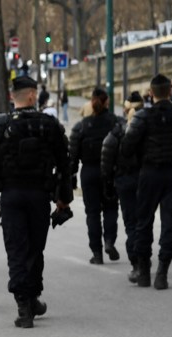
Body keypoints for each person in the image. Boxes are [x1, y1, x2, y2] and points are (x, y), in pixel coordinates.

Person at [0, 76, 73, 329]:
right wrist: (63, 199)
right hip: (38, 196)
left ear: (13, 97)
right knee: (34, 248)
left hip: (11, 196)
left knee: (17, 250)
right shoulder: (50, 125)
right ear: (32, 95)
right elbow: (65, 164)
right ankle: (29, 298)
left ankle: (25, 303)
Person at [120, 74, 172, 289]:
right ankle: (162, 273)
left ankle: (144, 272)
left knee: (143, 222)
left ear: (151, 93)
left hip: (149, 173)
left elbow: (127, 147)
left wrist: (140, 160)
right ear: (170, 91)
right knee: (170, 223)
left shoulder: (142, 117)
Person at [69, 87, 121, 264]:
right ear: (107, 102)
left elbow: (73, 154)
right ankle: (109, 240)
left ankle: (97, 253)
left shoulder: (82, 126)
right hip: (110, 171)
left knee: (92, 213)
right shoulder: (115, 123)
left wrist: (71, 175)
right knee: (111, 208)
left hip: (89, 172)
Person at [100, 94, 143, 276]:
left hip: (124, 180)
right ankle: (144, 260)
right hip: (144, 180)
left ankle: (137, 263)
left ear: (125, 110)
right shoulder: (146, 129)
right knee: (144, 223)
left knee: (131, 223)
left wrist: (108, 180)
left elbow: (107, 154)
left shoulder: (118, 131)